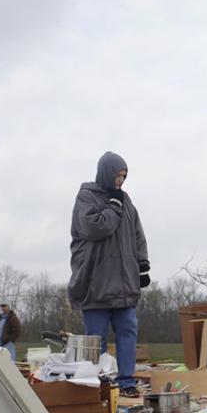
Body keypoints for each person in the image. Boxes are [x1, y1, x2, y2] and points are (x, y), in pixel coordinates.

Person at [69, 151, 149, 397]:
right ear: (106, 173)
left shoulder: (126, 201)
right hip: (96, 284)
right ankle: (96, 385)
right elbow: (95, 227)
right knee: (96, 340)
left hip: (124, 284)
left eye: (124, 176)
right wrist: (113, 207)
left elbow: (137, 234)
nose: (121, 181)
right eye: (118, 175)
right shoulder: (87, 197)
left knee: (127, 332)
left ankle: (126, 383)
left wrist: (143, 265)